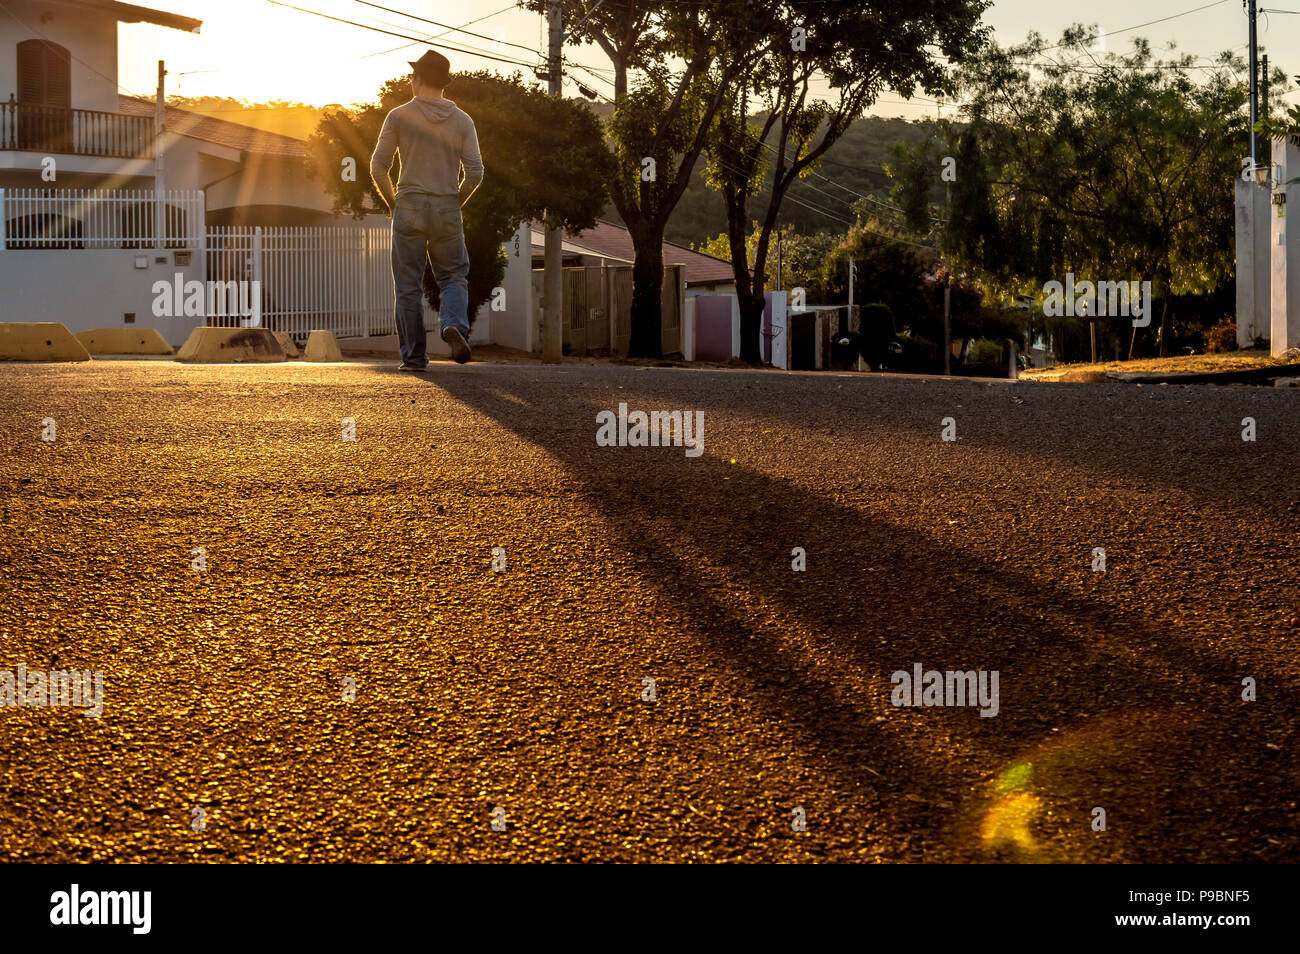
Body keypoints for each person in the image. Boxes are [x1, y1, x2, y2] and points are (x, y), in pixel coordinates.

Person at [370, 50, 483, 368]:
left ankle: (414, 357)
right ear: (444, 83)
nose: (409, 81)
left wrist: (395, 203)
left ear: (418, 80)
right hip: (447, 205)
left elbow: (379, 167)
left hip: (409, 205)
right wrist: (454, 202)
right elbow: (475, 173)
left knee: (407, 286)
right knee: (453, 277)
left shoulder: (399, 116)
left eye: (411, 77)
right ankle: (452, 326)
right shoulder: (463, 121)